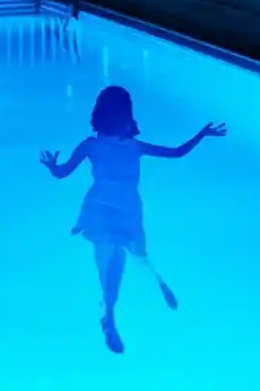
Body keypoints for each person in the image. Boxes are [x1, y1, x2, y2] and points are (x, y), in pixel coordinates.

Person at [39, 85, 227, 354]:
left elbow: (61, 173)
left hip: (116, 210)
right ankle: (110, 314)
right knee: (118, 255)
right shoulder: (121, 146)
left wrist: (51, 167)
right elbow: (177, 152)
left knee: (124, 256)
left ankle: (143, 288)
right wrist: (202, 134)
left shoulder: (100, 146)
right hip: (109, 211)